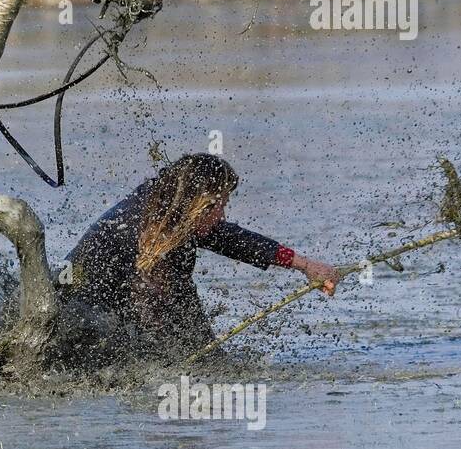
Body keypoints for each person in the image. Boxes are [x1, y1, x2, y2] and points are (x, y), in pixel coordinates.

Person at [57, 153, 340, 365]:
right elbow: (151, 307)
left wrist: (304, 264)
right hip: (75, 314)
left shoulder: (173, 209)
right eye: (220, 206)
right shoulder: (143, 229)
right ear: (199, 204)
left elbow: (234, 240)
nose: (223, 216)